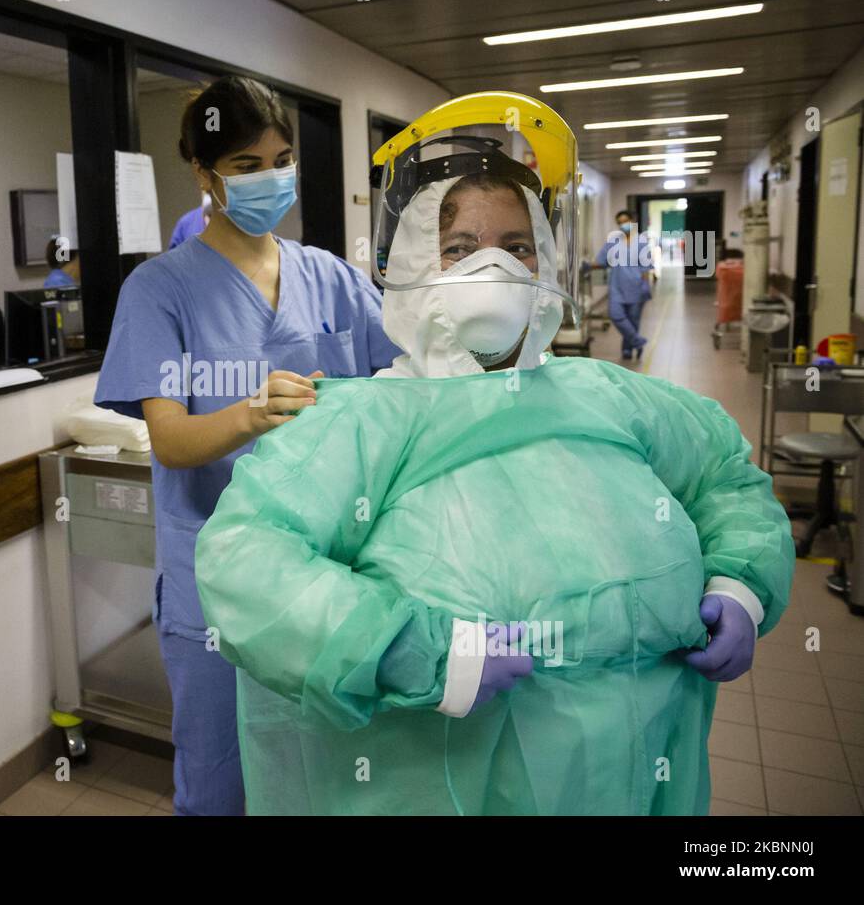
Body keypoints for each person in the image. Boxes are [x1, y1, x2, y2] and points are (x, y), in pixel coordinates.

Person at [194, 92, 794, 815]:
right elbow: (244, 561)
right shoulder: (364, 422)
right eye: (458, 249)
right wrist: (410, 649)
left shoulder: (611, 396)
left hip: (635, 779)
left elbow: (726, 478)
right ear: (413, 264)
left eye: (515, 247)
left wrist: (742, 586)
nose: (493, 269)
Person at [93, 75, 399, 815]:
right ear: (203, 176)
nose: (272, 178)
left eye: (281, 158)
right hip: (215, 579)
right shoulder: (158, 290)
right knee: (223, 778)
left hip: (331, 571)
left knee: (334, 765)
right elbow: (168, 438)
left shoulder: (330, 278)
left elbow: (404, 388)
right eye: (245, 165)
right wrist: (251, 413)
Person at [595, 210, 654, 360]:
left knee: (633, 321)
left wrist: (646, 285)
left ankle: (627, 350)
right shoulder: (613, 242)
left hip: (636, 286)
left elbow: (645, 267)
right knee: (616, 315)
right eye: (620, 222)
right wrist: (587, 266)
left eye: (625, 221)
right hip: (617, 286)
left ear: (632, 221)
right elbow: (601, 260)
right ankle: (637, 341)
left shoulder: (641, 242)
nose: (623, 225)